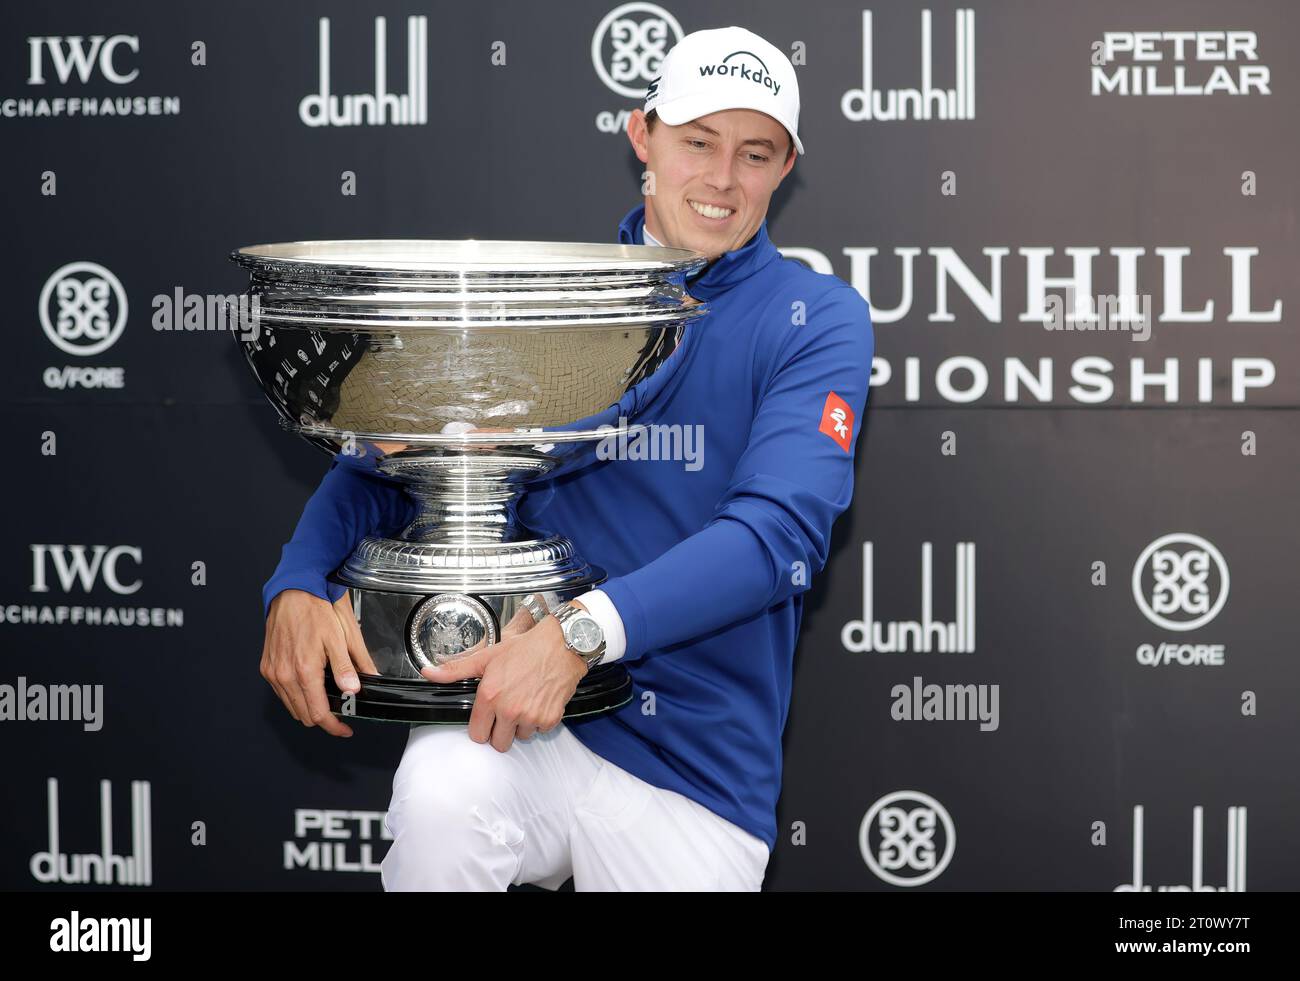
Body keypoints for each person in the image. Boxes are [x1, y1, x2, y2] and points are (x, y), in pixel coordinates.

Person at [258, 25, 874, 891]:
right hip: (527, 729)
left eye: (755, 153)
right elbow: (396, 460)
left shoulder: (818, 317)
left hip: (697, 775)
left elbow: (777, 538)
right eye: (698, 143)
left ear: (785, 166)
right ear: (643, 137)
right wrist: (296, 580)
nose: (723, 178)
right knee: (440, 792)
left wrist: (580, 636)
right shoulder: (557, 300)